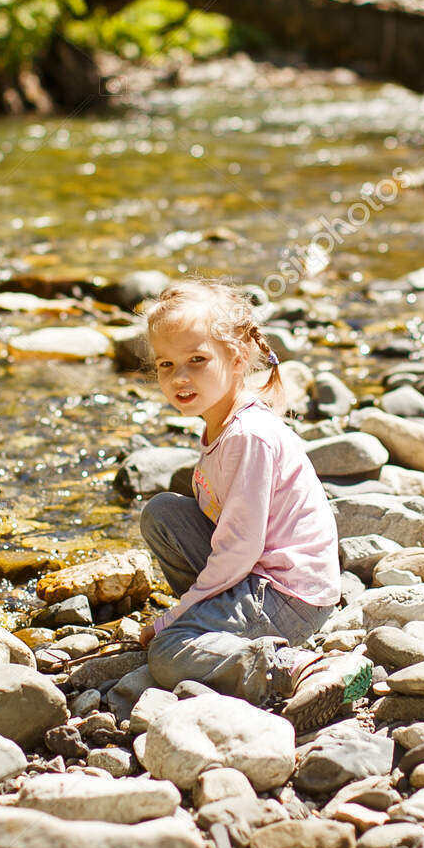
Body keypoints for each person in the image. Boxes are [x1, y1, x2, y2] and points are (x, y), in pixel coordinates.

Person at [135, 278, 371, 732]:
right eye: (167, 364)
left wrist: (174, 617)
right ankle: (213, 619)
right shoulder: (221, 422)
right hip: (257, 570)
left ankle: (297, 668)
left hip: (287, 593)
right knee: (163, 513)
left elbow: (241, 549)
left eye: (196, 361)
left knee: (166, 654)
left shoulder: (247, 436)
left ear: (237, 357)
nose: (179, 378)